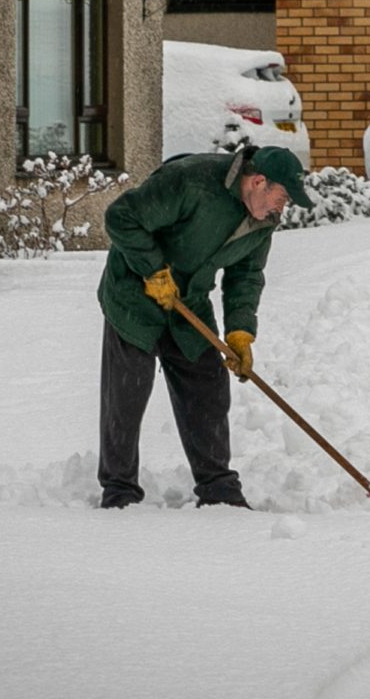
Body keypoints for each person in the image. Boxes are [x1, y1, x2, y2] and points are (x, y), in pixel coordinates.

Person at [95, 144, 314, 509]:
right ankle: (119, 489)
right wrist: (151, 269)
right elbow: (121, 217)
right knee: (127, 393)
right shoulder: (191, 181)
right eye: (283, 197)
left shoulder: (262, 222)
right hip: (134, 292)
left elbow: (246, 274)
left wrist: (240, 332)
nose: (283, 208)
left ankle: (218, 488)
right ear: (258, 181)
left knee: (208, 386)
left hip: (187, 303)